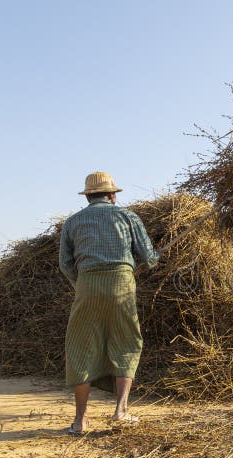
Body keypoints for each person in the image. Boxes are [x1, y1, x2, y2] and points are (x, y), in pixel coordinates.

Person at [59, 172, 160, 435]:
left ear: (88, 196)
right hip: (122, 285)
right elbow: (148, 257)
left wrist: (81, 283)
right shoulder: (127, 217)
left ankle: (80, 421)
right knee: (126, 342)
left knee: (80, 345)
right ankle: (121, 411)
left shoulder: (73, 222)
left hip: (87, 285)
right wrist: (153, 259)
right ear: (112, 195)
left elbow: (65, 264)